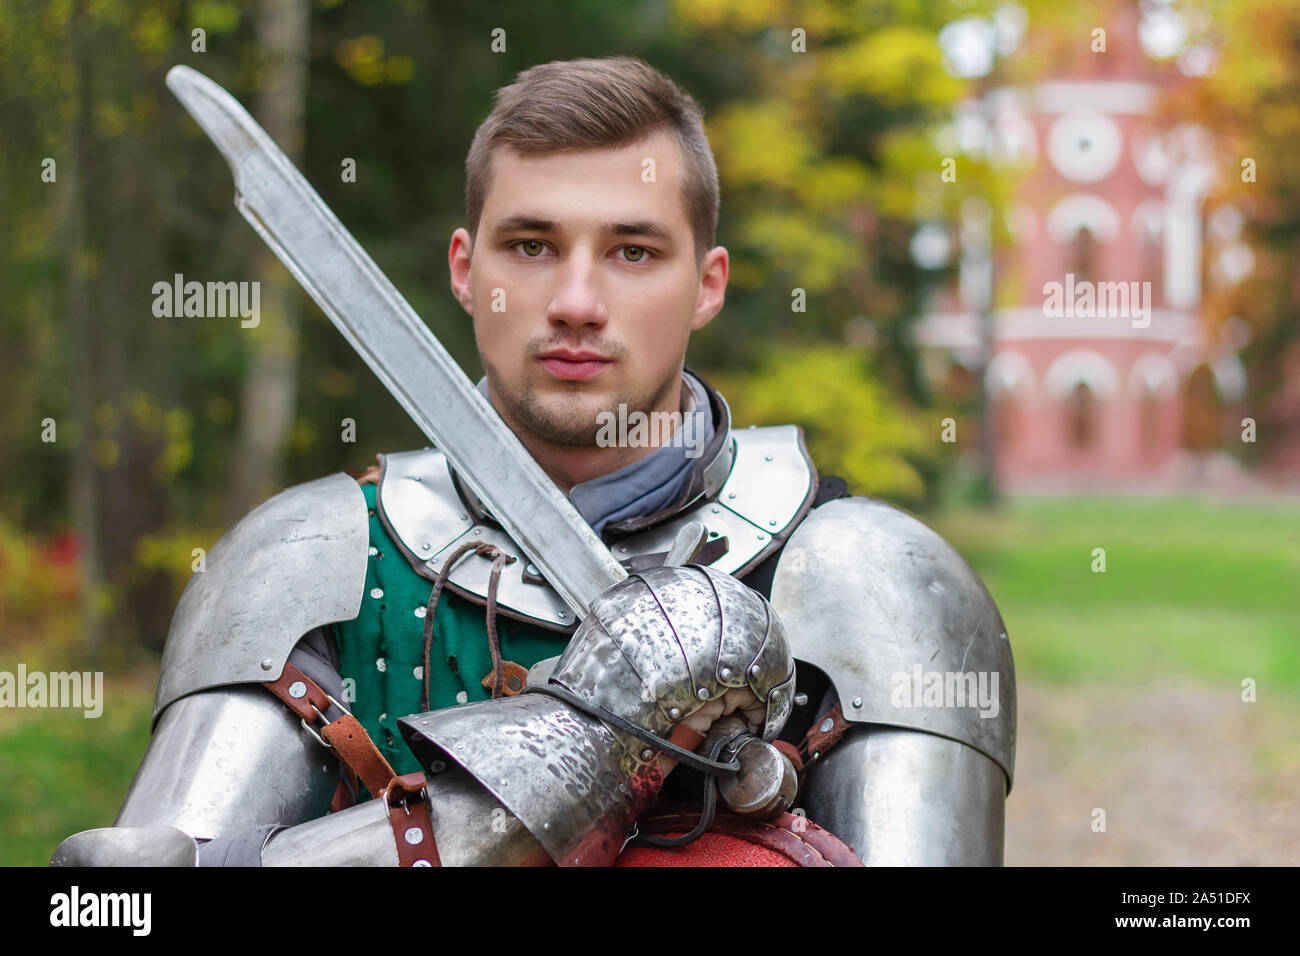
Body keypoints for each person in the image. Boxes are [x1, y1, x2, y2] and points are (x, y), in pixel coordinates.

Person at [53, 56, 1015, 868]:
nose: (577, 301)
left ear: (708, 285)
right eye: (532, 246)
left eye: (633, 252)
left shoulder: (872, 583)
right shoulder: (308, 559)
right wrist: (595, 742)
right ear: (468, 271)